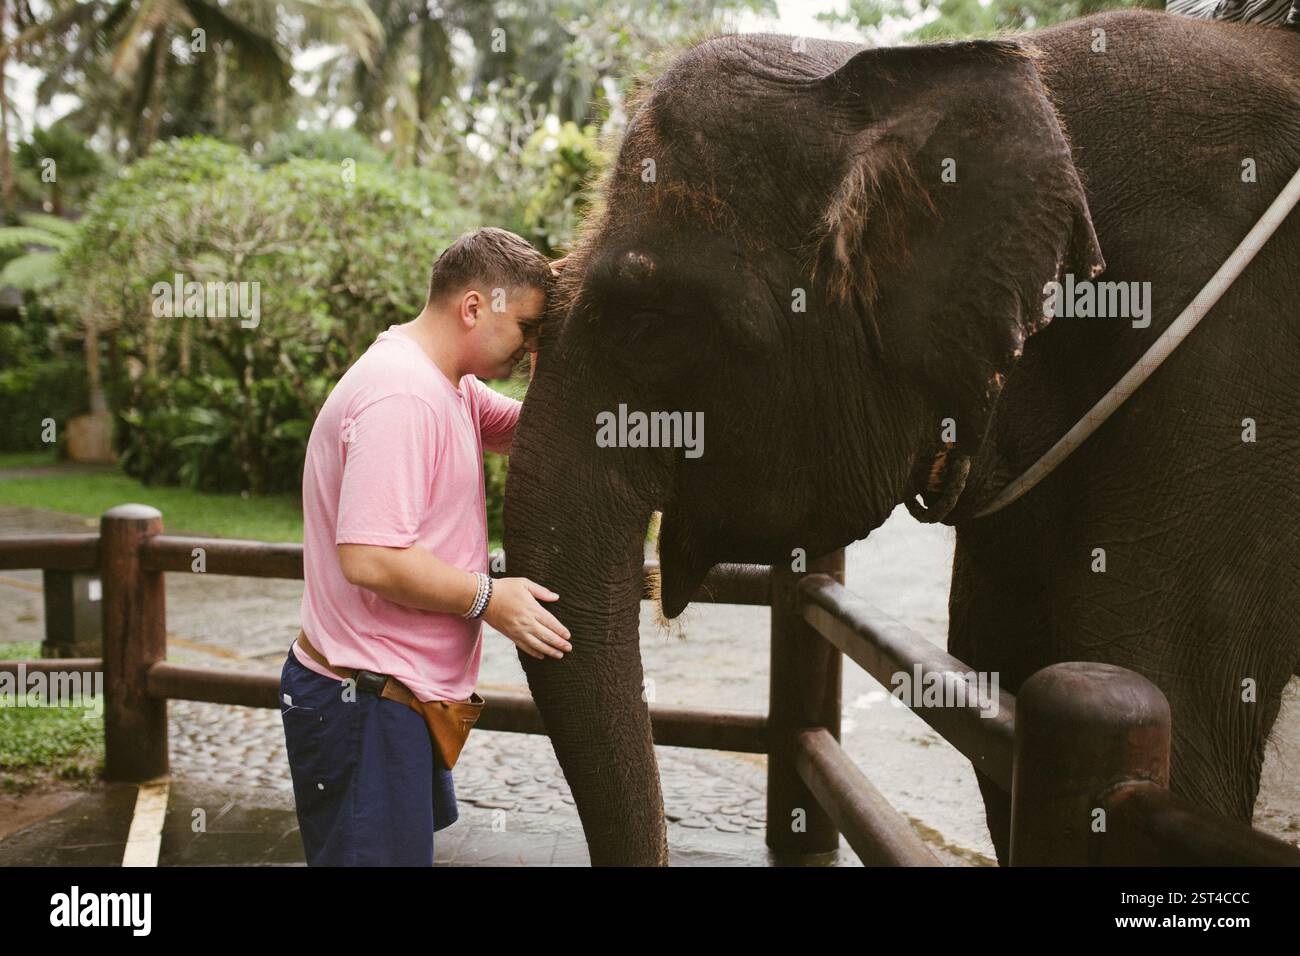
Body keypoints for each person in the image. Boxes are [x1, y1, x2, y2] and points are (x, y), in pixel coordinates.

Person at [279, 227, 573, 866]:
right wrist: (488, 598)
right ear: (474, 308)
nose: (527, 348)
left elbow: (539, 430)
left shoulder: (449, 384)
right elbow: (370, 558)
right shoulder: (402, 395)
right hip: (366, 703)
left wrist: (555, 347)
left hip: (394, 697)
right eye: (525, 327)